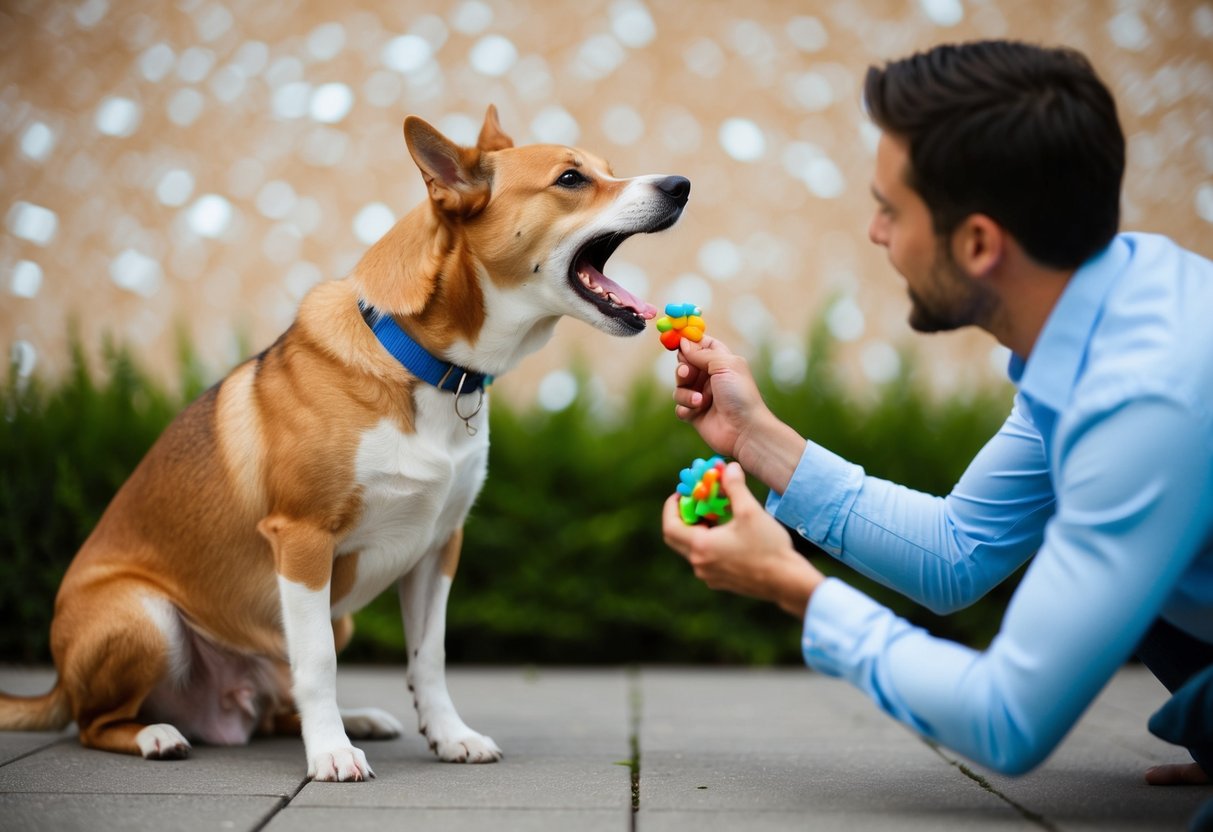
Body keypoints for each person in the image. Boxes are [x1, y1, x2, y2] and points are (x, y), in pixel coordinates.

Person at [661, 39, 1213, 829]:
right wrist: (756, 439)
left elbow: (1008, 719)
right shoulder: (1103, 314)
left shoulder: (1142, 398)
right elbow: (957, 554)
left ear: (979, 243)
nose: (876, 233)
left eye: (890, 209)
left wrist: (788, 585)